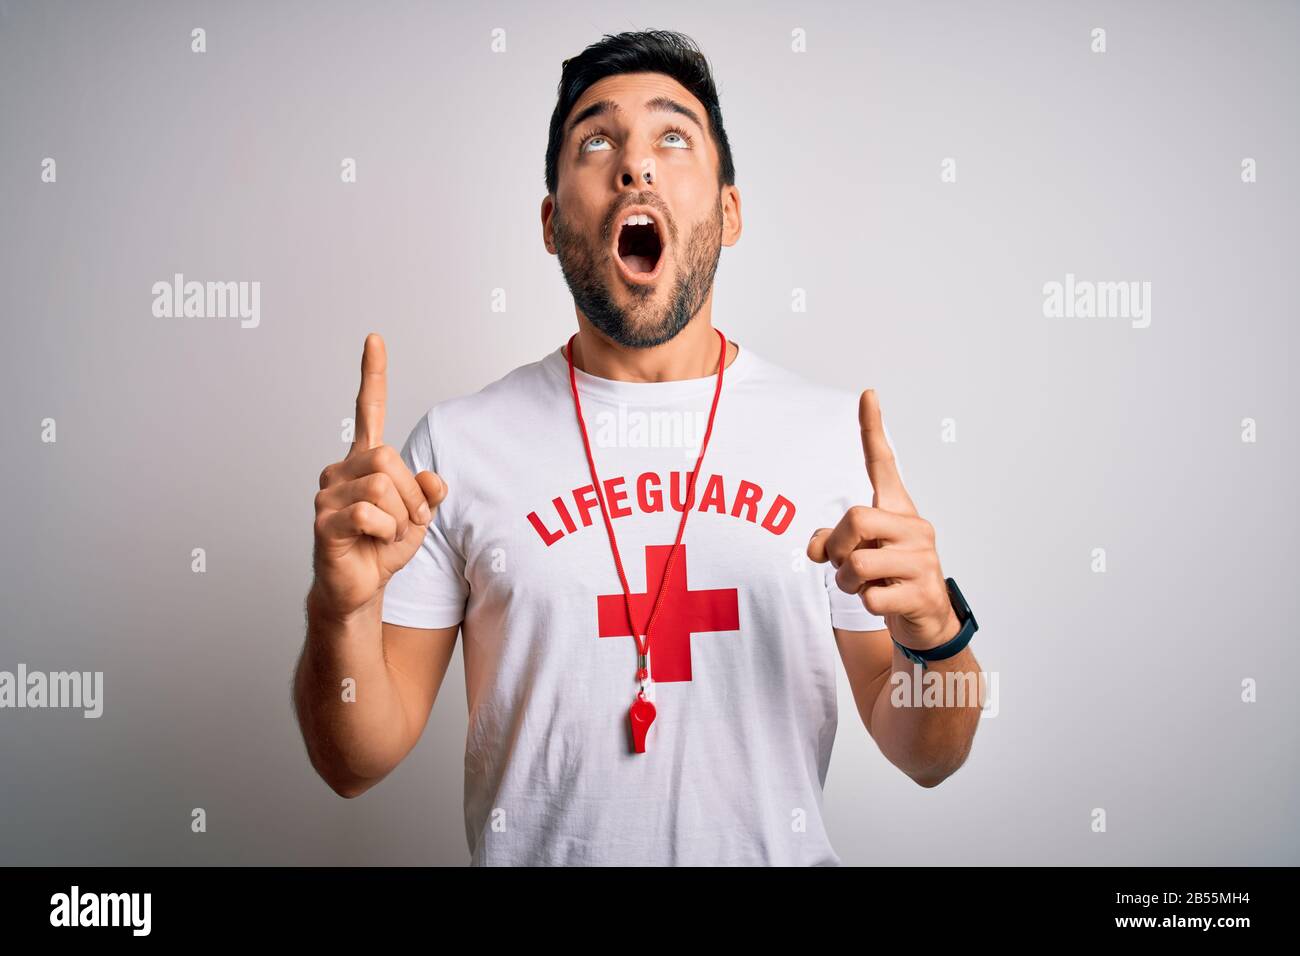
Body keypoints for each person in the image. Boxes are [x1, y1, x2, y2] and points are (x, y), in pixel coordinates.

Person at [293, 29, 982, 866]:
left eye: (673, 136)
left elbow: (929, 754)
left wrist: (936, 632)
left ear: (728, 211)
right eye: (596, 141)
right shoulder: (454, 451)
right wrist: (341, 610)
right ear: (552, 223)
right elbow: (353, 762)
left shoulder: (833, 439)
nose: (635, 165)